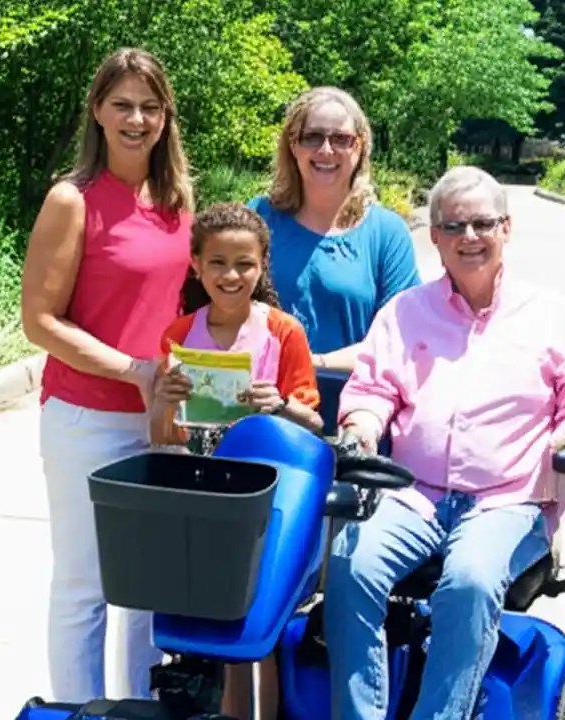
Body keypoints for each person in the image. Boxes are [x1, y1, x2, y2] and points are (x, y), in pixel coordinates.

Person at [323, 166, 565, 720]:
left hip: (507, 500)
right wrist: (360, 427)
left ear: (507, 227)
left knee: (469, 582)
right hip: (415, 495)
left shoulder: (548, 314)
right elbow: (372, 390)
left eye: (483, 223)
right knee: (349, 566)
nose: (470, 238)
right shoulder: (406, 313)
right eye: (454, 226)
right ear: (434, 236)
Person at [19, 47, 194, 704]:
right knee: (85, 587)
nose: (136, 118)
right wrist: (134, 370)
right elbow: (39, 320)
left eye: (150, 106)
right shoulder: (73, 200)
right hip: (86, 419)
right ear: (96, 111)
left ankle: (140, 711)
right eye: (121, 104)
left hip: (160, 419)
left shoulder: (178, 200)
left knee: (149, 590)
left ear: (165, 116)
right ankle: (76, 712)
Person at [149, 202, 321, 720]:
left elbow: (314, 426)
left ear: (263, 265)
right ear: (196, 266)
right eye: (218, 262)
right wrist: (163, 398)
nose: (231, 275)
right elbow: (162, 436)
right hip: (202, 496)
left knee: (260, 626)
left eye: (244, 264)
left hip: (268, 499)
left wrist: (281, 406)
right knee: (209, 626)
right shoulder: (180, 333)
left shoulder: (283, 332)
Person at [248, 87, 421, 373]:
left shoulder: (387, 234)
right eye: (312, 137)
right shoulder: (259, 218)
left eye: (341, 139)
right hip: (263, 408)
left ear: (360, 146)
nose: (326, 150)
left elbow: (400, 338)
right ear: (293, 145)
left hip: (355, 408)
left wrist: (310, 364)